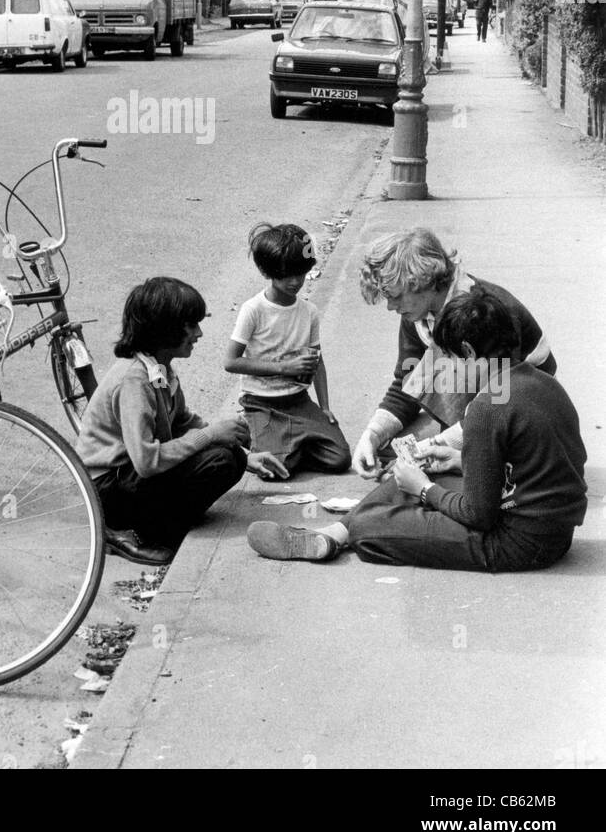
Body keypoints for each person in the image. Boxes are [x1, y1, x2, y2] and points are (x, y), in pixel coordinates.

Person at [246, 290, 587, 572]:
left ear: (468, 352)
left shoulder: (487, 408)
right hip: (554, 530)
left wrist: (424, 491)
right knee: (409, 477)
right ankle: (333, 534)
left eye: (451, 360)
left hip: (519, 543)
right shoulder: (543, 384)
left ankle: (347, 532)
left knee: (373, 525)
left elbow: (478, 516)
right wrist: (456, 459)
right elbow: (536, 466)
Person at [76, 277, 287, 566]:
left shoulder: (159, 368)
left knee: (232, 458)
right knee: (220, 461)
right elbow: (146, 461)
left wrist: (246, 456)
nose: (199, 333)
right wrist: (212, 435)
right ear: (165, 330)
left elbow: (182, 422)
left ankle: (163, 518)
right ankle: (134, 532)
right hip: (108, 490)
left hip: (129, 479)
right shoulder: (134, 380)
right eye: (191, 325)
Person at [350, 228, 555, 480]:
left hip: (523, 404)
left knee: (430, 462)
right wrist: (371, 435)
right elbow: (407, 385)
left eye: (395, 297)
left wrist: (432, 448)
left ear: (421, 280)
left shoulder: (484, 312)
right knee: (391, 447)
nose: (391, 307)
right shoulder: (417, 315)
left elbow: (499, 403)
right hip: (480, 396)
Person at [224, 223, 350, 476]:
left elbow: (317, 361)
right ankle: (249, 430)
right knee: (277, 471)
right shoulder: (254, 309)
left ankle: (287, 442)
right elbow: (231, 361)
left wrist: (324, 406)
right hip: (261, 401)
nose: (295, 282)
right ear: (268, 272)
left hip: (297, 400)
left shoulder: (308, 312)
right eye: (285, 275)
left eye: (300, 273)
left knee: (339, 459)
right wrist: (282, 368)